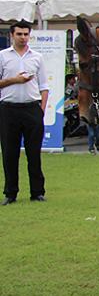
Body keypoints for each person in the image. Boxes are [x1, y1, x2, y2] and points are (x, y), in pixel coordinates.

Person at [0, 20, 49, 205]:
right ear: (12, 35)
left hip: (31, 108)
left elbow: (44, 86)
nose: (23, 38)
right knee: (9, 153)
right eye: (19, 34)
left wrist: (41, 110)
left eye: (26, 34)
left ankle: (37, 192)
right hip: (8, 108)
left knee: (34, 153)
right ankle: (10, 193)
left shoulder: (37, 57)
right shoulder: (3, 56)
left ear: (30, 35)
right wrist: (15, 80)